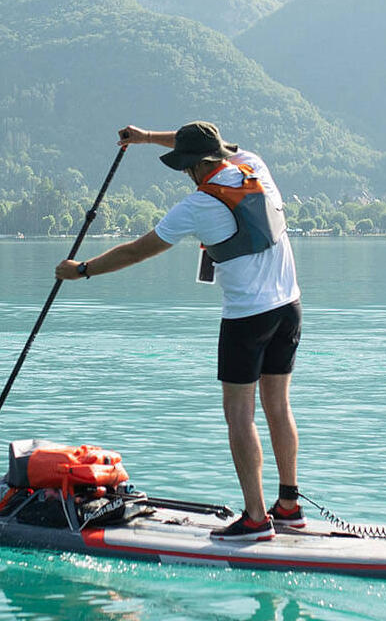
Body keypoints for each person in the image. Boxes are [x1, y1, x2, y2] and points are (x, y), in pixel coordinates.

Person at [56, 122, 303, 541]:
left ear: (194, 166)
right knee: (277, 406)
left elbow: (138, 250)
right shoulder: (252, 164)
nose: (184, 174)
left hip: (247, 319)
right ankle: (289, 505)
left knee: (239, 414)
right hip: (289, 307)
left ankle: (257, 520)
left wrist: (82, 270)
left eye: (184, 166)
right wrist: (148, 138)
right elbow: (201, 143)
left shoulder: (198, 205)